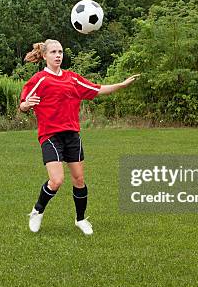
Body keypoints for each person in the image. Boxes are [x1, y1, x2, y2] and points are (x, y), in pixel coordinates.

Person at [19, 39, 139, 235]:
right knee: (56, 181)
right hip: (50, 136)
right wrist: (26, 105)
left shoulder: (72, 79)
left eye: (60, 52)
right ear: (44, 56)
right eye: (54, 52)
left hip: (72, 135)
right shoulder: (39, 80)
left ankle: (81, 219)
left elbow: (97, 89)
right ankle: (37, 211)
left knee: (79, 179)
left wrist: (121, 85)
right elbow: (23, 104)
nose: (58, 55)